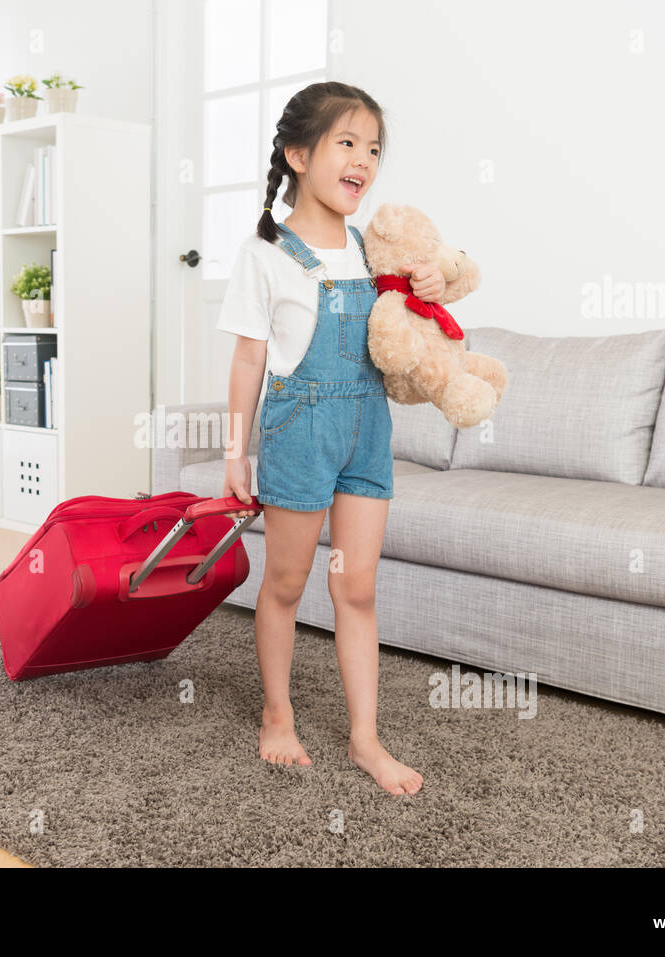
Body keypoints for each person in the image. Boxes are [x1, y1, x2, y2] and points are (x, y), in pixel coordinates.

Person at [216, 82, 444, 796]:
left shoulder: (372, 250)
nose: (363, 160)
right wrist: (234, 452)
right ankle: (277, 713)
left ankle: (365, 738)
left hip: (366, 436)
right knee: (285, 583)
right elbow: (249, 358)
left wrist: (435, 276)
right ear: (298, 154)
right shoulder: (265, 254)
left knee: (358, 586)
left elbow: (422, 303)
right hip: (299, 433)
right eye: (346, 143)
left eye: (373, 148)